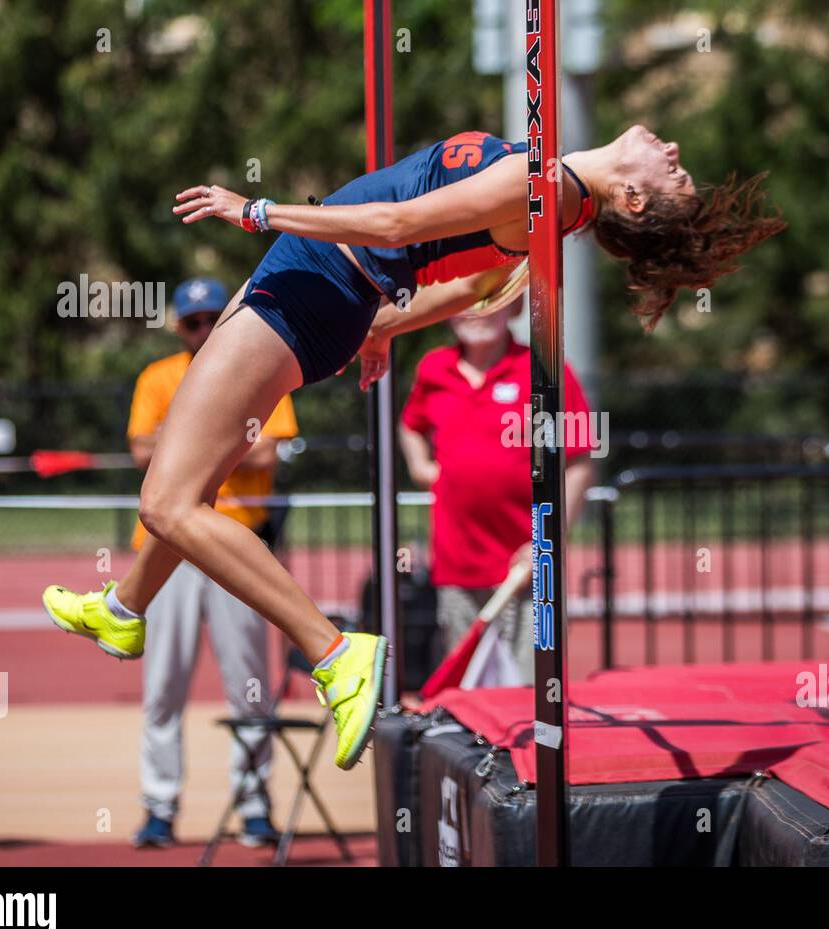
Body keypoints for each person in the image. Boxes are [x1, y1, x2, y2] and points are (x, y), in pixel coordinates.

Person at [41, 126, 784, 770]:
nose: (674, 152)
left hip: (316, 283)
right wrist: (384, 328)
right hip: (324, 289)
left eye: (673, 174)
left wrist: (258, 211)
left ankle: (334, 653)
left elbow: (396, 224)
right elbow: (472, 285)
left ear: (633, 198)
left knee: (164, 503)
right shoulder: (555, 207)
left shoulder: (547, 187)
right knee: (190, 487)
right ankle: (125, 605)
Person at [126, 277, 296, 849]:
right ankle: (159, 805)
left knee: (248, 682)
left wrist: (188, 443)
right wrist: (221, 442)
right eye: (192, 322)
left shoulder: (263, 359)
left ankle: (253, 805)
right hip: (165, 547)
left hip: (234, 542)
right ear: (180, 327)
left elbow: (271, 446)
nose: (202, 330)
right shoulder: (157, 377)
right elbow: (141, 449)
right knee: (164, 684)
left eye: (210, 319)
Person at [400, 306, 596, 683]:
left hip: (528, 566)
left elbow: (578, 461)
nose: (476, 312)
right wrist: (420, 465)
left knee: (534, 687)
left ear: (514, 307)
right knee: (467, 691)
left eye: (491, 300)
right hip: (456, 566)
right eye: (466, 302)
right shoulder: (434, 368)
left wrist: (549, 539)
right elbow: (410, 425)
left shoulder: (544, 368)